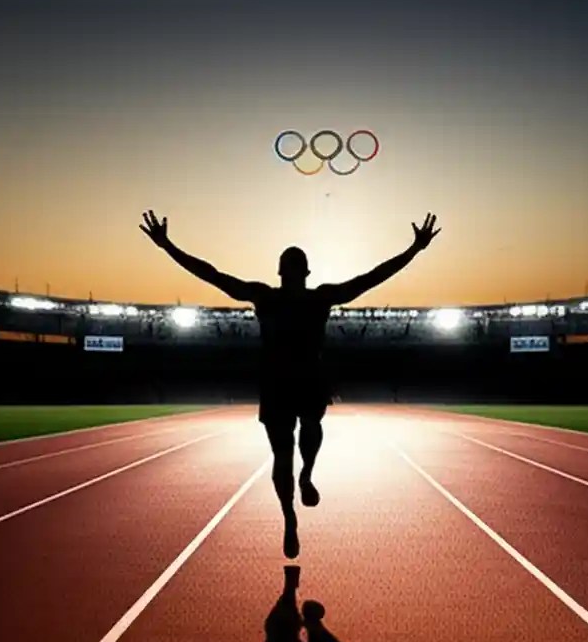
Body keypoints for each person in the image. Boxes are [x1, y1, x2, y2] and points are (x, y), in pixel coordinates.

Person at [140, 210, 441, 558]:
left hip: (288, 381)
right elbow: (369, 279)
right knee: (294, 444)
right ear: (298, 273)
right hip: (293, 381)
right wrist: (413, 250)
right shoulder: (298, 297)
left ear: (283, 272)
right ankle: (295, 502)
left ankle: (298, 493)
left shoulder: (284, 297)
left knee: (289, 449)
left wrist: (168, 246)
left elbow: (213, 275)